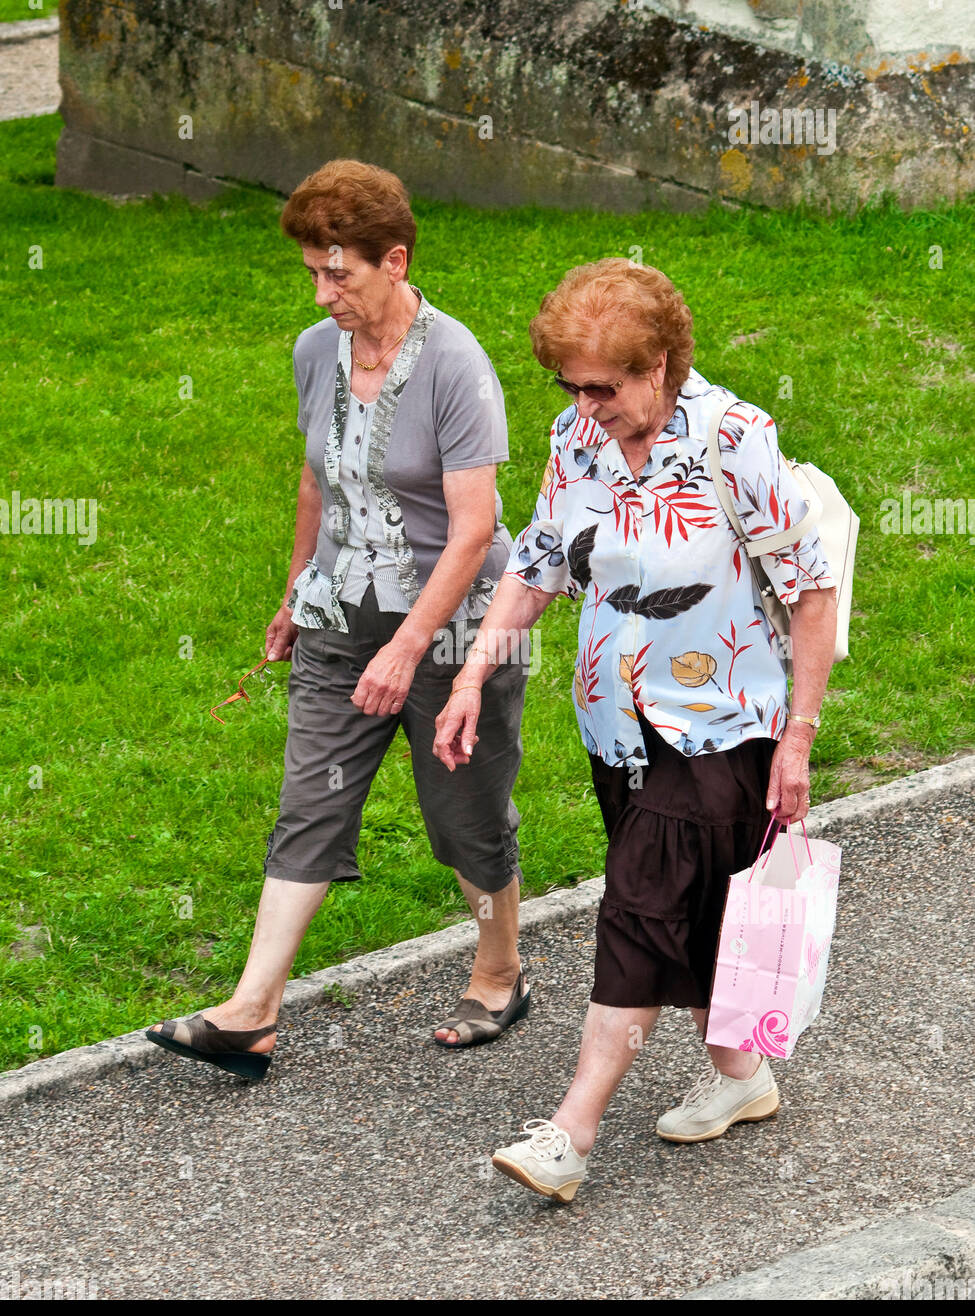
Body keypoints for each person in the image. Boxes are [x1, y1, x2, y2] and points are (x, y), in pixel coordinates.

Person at [433, 258, 837, 1200]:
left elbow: (811, 593)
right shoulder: (575, 440)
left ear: (658, 365)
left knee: (640, 903)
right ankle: (743, 1076)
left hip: (723, 725)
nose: (584, 403)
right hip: (614, 719)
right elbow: (536, 567)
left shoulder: (735, 440)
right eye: (568, 384)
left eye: (601, 386)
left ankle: (569, 1135)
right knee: (684, 911)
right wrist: (470, 676)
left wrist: (799, 738)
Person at [147, 159, 530, 1079]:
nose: (323, 295)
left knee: (464, 816)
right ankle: (252, 1010)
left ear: (393, 261)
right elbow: (317, 480)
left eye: (339, 274)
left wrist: (406, 647)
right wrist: (293, 592)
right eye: (313, 274)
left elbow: (473, 529)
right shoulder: (316, 351)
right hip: (336, 616)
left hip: (452, 629)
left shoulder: (455, 363)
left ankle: (502, 968)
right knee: (309, 803)